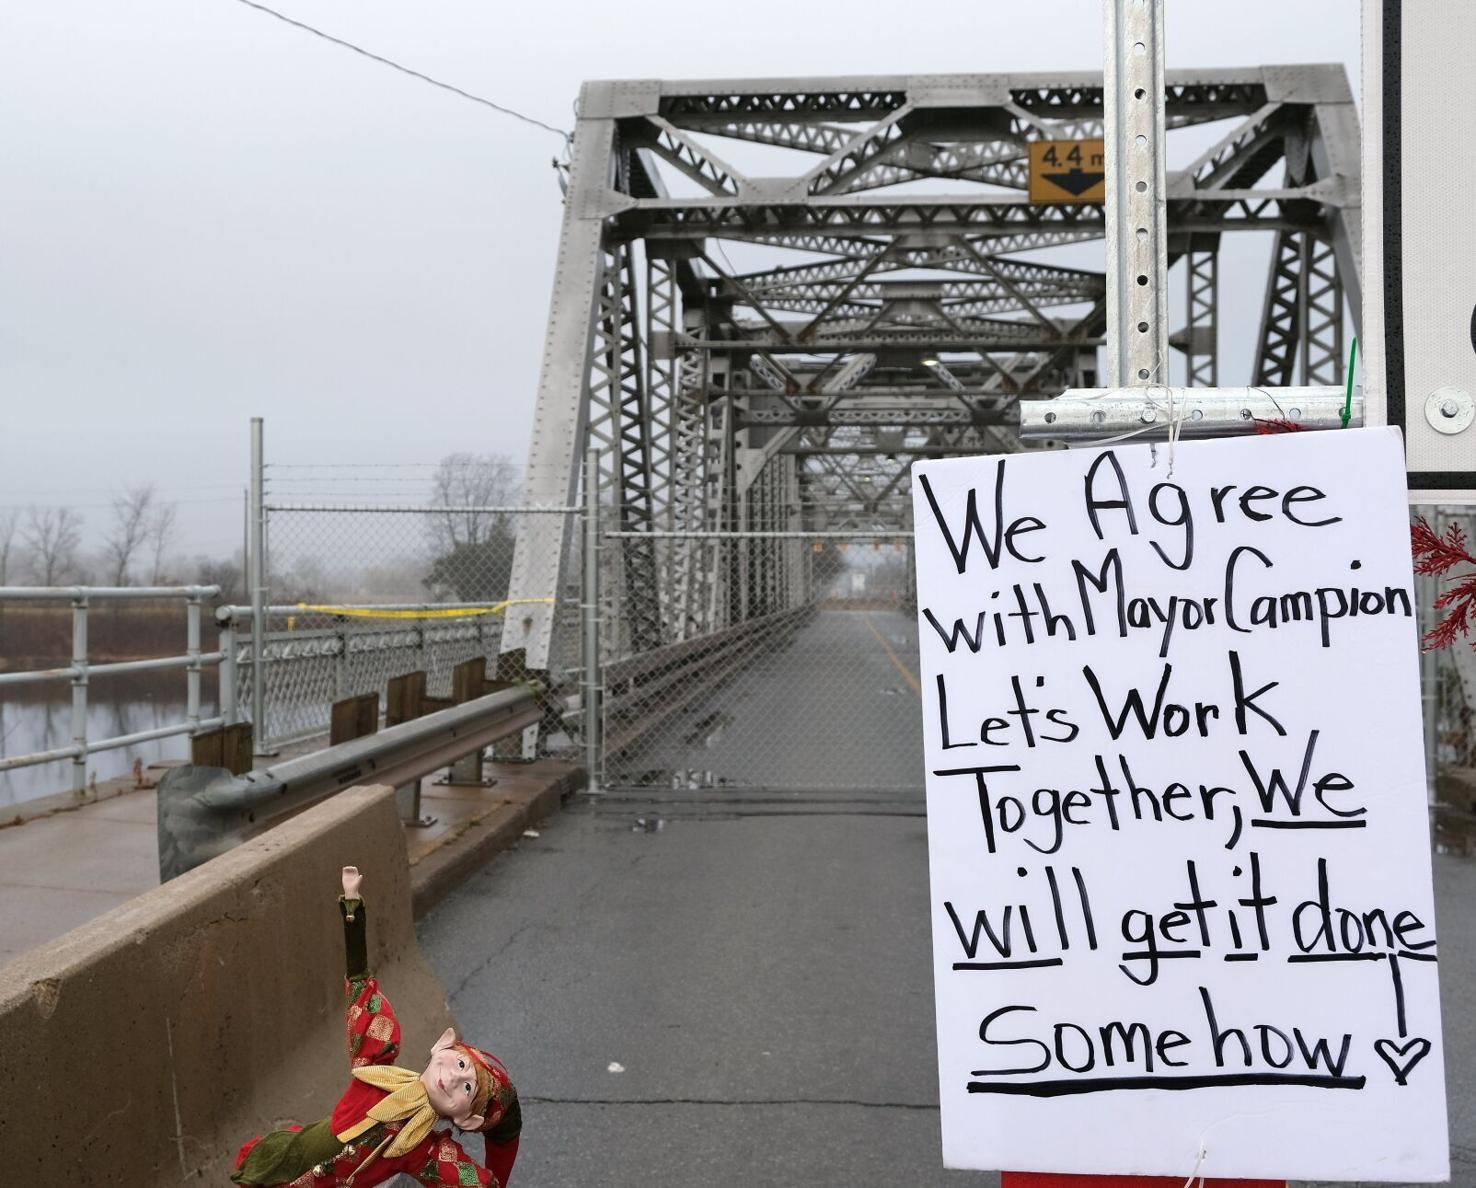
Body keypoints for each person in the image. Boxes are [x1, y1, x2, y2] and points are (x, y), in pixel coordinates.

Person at [232, 865, 521, 1186]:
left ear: (467, 1119)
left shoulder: (424, 1150)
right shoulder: (375, 1067)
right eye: (462, 1063)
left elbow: (473, 1182)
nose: (455, 1077)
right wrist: (352, 908)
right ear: (442, 1044)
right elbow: (361, 987)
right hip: (280, 1160)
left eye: (468, 1088)